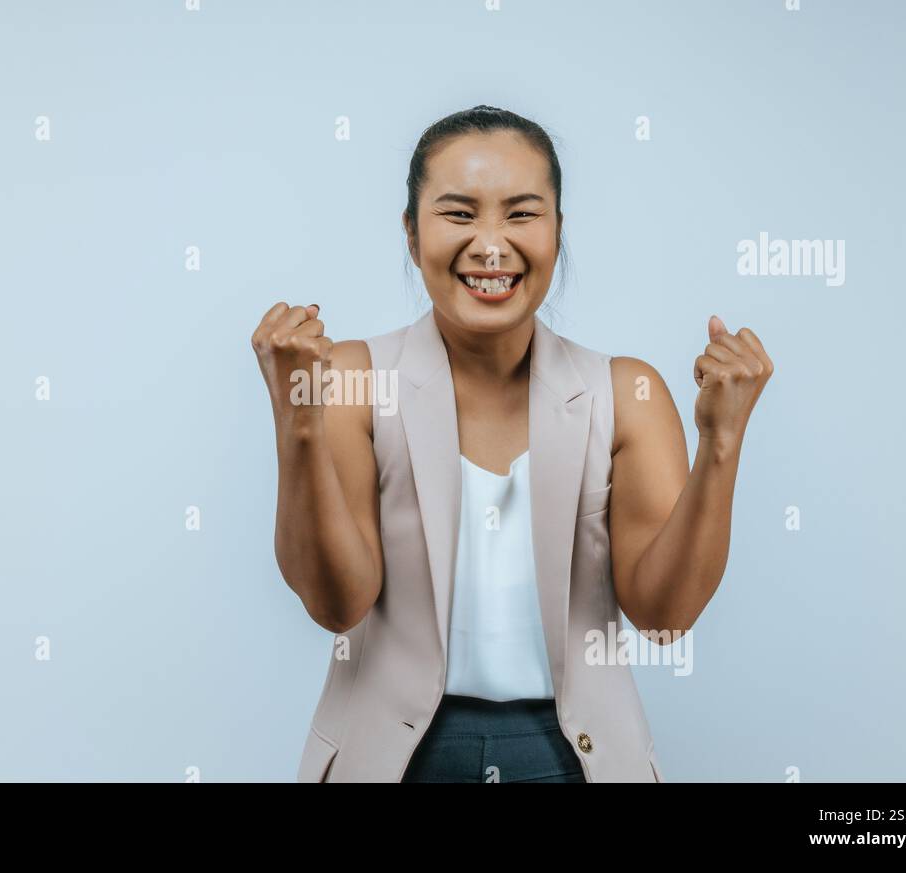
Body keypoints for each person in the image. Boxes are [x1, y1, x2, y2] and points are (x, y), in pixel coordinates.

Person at [250, 105, 773, 783]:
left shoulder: (625, 394)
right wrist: (297, 420)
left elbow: (665, 617)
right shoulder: (355, 378)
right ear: (412, 235)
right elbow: (335, 603)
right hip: (395, 758)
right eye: (459, 214)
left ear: (558, 232)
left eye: (522, 213)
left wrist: (721, 443)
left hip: (572, 759)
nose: (491, 245)